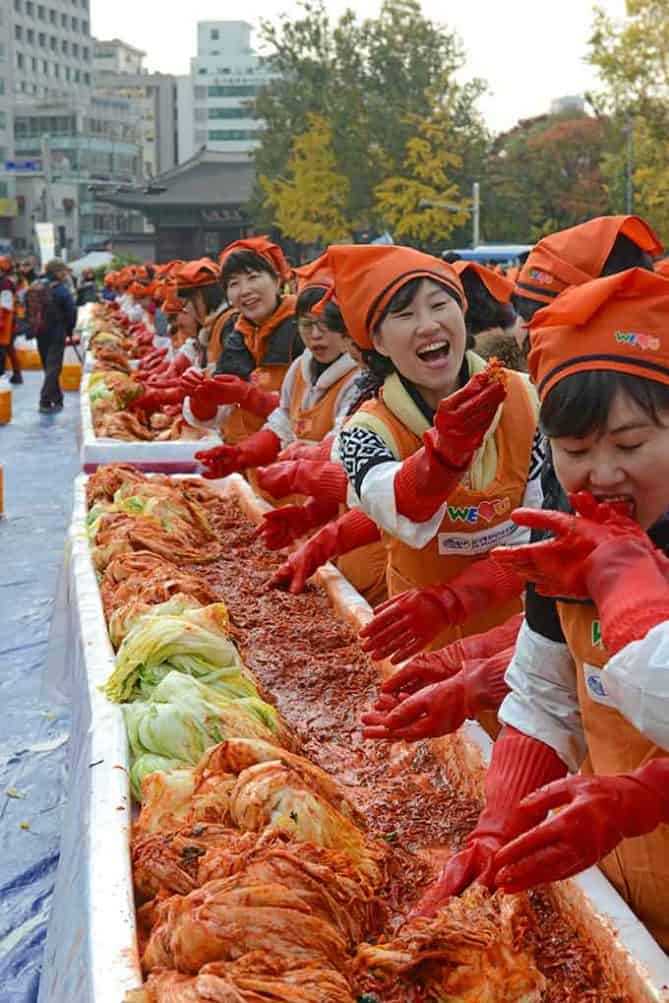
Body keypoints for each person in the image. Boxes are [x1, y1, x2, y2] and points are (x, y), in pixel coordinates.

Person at [410, 268, 669, 952]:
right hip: (631, 893)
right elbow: (547, 689)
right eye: (576, 450)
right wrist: (497, 823)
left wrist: (644, 795)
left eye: (631, 443)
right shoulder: (568, 527)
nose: (602, 473)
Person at [314, 245, 541, 661]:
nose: (428, 325)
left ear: (462, 311)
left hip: (519, 643)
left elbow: (542, 537)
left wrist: (453, 600)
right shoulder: (365, 431)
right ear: (377, 341)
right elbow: (397, 502)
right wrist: (443, 458)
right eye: (405, 315)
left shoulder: (528, 400)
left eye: (440, 305)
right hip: (417, 641)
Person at [193, 259, 359, 483]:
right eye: (307, 324)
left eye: (328, 323)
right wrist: (241, 455)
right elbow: (283, 424)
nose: (316, 335)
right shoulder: (300, 368)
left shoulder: (360, 381)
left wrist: (297, 473)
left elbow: (340, 450)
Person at [182, 237, 302, 447]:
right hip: (240, 459)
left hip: (287, 462)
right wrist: (199, 394)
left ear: (277, 279)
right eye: (234, 283)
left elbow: (309, 410)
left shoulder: (304, 328)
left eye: (253, 277)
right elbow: (218, 413)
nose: (244, 290)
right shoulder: (238, 335)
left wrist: (249, 396)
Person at [27, 258, 77, 414]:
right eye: (63, 271)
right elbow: (71, 311)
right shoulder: (61, 289)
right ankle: (45, 400)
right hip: (56, 332)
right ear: (57, 272)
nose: (65, 274)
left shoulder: (35, 285)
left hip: (39, 331)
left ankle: (57, 398)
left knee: (48, 366)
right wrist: (69, 329)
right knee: (54, 367)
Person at [0, 256, 20, 384]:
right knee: (8, 348)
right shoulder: (5, 282)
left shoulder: (5, 284)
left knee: (3, 349)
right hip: (6, 322)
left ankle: (2, 376)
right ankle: (16, 375)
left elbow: (5, 305)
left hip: (4, 323)